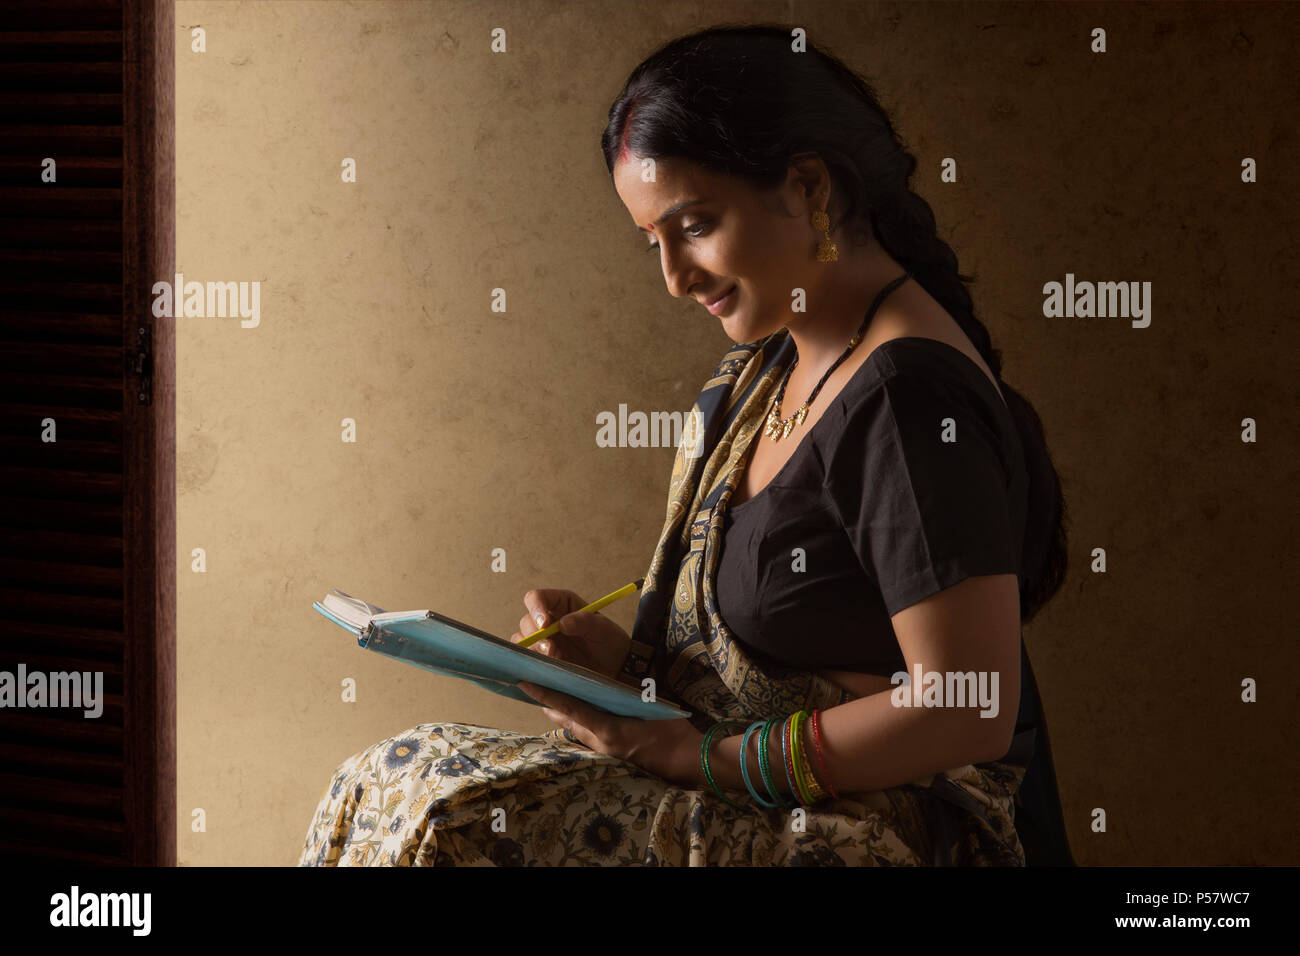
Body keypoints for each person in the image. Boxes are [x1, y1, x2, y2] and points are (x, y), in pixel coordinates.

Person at [297, 23, 1073, 867]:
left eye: (694, 224)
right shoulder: (771, 368)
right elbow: (785, 644)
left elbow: (966, 707)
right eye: (653, 242)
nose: (675, 276)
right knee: (386, 779)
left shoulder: (906, 395)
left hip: (881, 825)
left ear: (810, 186)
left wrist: (700, 756)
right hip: (757, 787)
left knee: (450, 822)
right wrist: (623, 665)